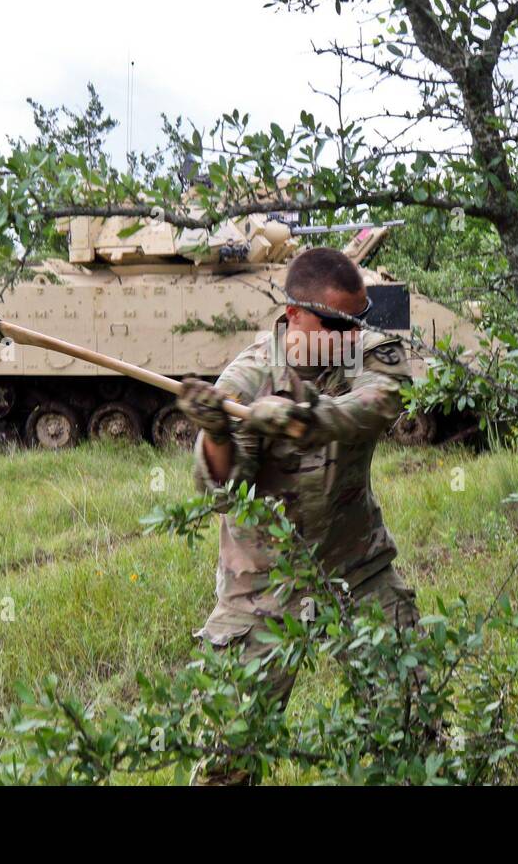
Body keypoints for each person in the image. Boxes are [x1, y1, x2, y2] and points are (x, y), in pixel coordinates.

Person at [176, 246, 420, 784]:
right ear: (293, 317)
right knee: (230, 753)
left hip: (355, 567)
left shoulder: (361, 352)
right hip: (263, 582)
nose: (351, 333)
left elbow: (385, 399)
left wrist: (307, 418)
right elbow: (220, 490)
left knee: (408, 721)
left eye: (359, 319)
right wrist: (217, 433)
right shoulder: (247, 377)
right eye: (336, 322)